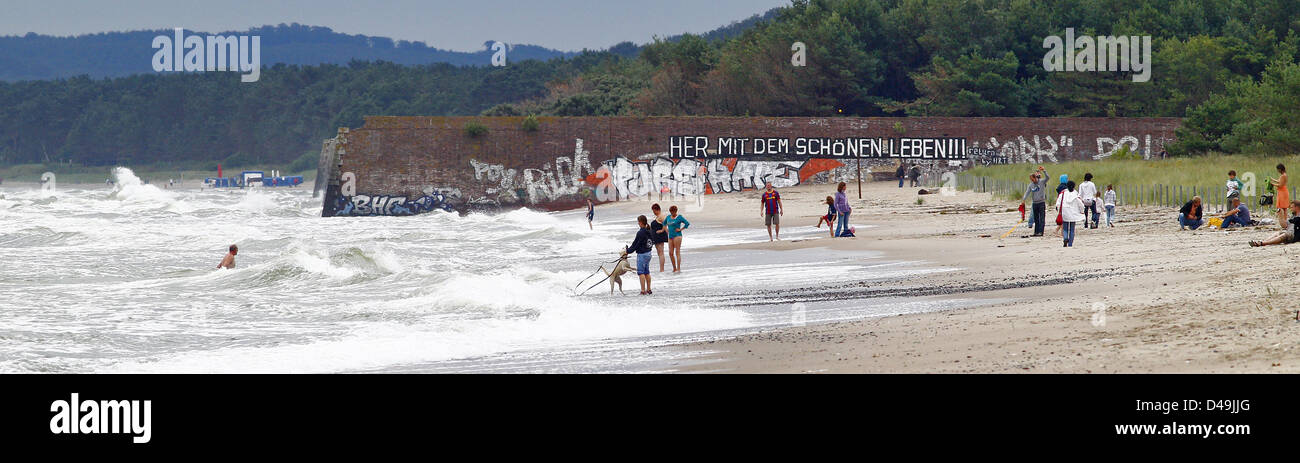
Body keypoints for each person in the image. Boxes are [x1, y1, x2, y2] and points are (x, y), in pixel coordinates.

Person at [625, 215, 654, 295]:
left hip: (642, 254)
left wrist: (628, 251)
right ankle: (649, 289)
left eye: (638, 221)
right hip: (649, 253)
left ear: (641, 222)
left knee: (641, 272)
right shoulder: (649, 231)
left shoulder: (640, 232)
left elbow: (635, 244)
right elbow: (652, 242)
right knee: (647, 272)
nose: (638, 223)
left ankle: (643, 290)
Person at [1020, 166, 1048, 236]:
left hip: (1041, 202)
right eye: (1031, 180)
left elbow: (1048, 178)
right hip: (1035, 203)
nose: (1032, 181)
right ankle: (1036, 232)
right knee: (1036, 218)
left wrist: (1044, 171)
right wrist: (1023, 200)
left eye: (1033, 179)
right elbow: (1027, 192)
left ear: (1035, 177)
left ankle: (1041, 232)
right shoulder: (1031, 185)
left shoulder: (1041, 182)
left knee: (1042, 218)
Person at [664, 205, 690, 273]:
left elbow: (687, 223)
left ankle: (678, 268)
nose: (672, 213)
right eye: (671, 212)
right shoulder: (668, 217)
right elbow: (664, 224)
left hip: (677, 236)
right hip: (670, 236)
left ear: (676, 211)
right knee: (670, 253)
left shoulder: (679, 217)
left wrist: (681, 229)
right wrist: (666, 230)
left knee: (677, 252)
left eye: (673, 212)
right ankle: (674, 268)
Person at [1058, 181, 1084, 247]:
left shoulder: (1063, 193)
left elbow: (1058, 202)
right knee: (1072, 229)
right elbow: (1080, 204)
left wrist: (1058, 210)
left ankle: (1065, 238)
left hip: (1065, 212)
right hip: (1073, 213)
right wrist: (1082, 211)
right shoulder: (1076, 194)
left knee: (1065, 228)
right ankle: (1070, 244)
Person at [649, 204, 669, 272]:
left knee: (661, 253)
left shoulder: (661, 216)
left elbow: (665, 223)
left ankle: (662, 269)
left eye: (654, 211)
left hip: (660, 237)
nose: (653, 212)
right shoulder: (658, 217)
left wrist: (662, 230)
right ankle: (661, 269)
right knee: (659, 253)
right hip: (657, 237)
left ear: (656, 209)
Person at [1270, 164, 1289, 230]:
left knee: (1282, 207)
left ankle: (1283, 222)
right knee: (1284, 207)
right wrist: (1273, 180)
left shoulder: (1283, 176)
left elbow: (1280, 185)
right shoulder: (1284, 175)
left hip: (1282, 192)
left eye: (1278, 169)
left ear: (1280, 169)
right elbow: (1279, 181)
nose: (1277, 170)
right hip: (1283, 191)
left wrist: (1272, 184)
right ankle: (1285, 221)